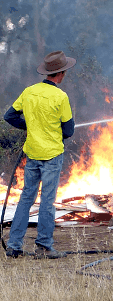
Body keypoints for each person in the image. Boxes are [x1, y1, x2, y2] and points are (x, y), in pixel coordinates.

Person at [3, 51, 76, 259]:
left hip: (32, 154)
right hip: (52, 155)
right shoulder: (60, 97)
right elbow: (69, 131)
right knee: (47, 201)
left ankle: (13, 245)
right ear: (60, 74)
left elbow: (9, 116)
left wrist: (30, 126)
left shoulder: (29, 91)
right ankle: (44, 246)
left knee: (26, 198)